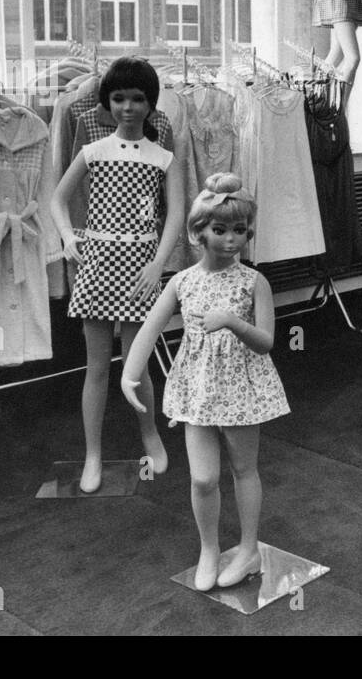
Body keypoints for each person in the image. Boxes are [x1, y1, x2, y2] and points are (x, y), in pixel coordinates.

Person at [122, 173, 289, 591]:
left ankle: (248, 549)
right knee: (202, 477)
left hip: (241, 387)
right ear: (199, 232)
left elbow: (266, 342)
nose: (231, 239)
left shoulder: (254, 282)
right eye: (220, 230)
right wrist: (130, 373)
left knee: (244, 468)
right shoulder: (182, 282)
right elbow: (150, 327)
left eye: (239, 230)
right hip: (196, 389)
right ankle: (209, 549)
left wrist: (232, 322)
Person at [50, 57, 185, 494]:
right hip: (97, 264)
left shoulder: (163, 158)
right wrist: (68, 237)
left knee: (136, 364)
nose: (128, 107)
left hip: (140, 267)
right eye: (119, 98)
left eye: (138, 99)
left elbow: (176, 215)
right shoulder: (93, 151)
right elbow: (57, 198)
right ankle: (92, 453)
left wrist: (157, 263)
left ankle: (150, 435)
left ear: (150, 104)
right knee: (96, 368)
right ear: (107, 103)